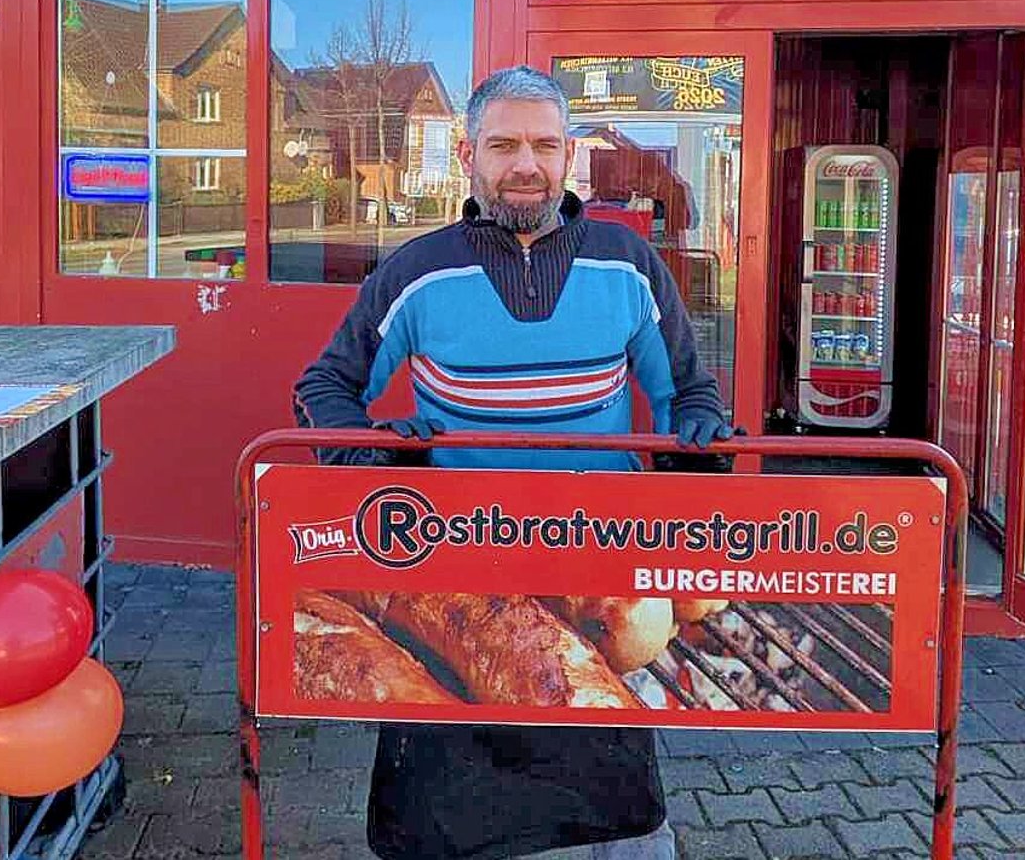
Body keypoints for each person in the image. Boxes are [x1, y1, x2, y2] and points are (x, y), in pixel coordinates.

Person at [293, 65, 733, 860]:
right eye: (503, 145)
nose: (524, 163)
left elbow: (687, 394)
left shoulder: (628, 263)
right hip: (454, 572)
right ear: (469, 153)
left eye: (543, 144)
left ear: (569, 155)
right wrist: (367, 460)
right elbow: (326, 383)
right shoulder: (417, 270)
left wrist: (696, 445)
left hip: (598, 569)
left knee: (614, 804)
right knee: (448, 806)